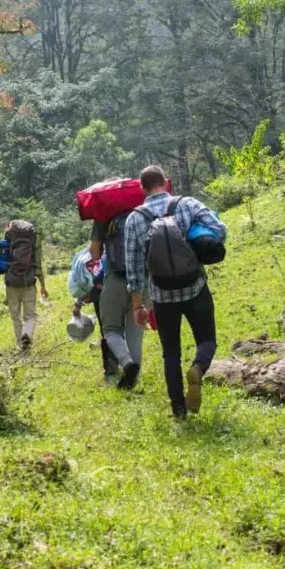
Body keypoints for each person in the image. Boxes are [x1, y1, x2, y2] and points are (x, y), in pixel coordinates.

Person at [125, 165, 227, 418]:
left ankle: (178, 408)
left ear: (142, 189)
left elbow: (134, 268)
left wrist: (138, 306)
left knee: (170, 353)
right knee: (207, 340)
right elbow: (220, 230)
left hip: (161, 296)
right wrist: (195, 236)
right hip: (195, 288)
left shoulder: (134, 219)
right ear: (166, 182)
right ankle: (198, 368)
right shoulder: (187, 204)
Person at [89, 209, 145, 388]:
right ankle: (132, 381)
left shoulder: (103, 216)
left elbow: (95, 253)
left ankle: (127, 363)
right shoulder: (142, 212)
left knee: (111, 330)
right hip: (143, 278)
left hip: (115, 278)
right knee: (135, 333)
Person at [4, 220, 49, 351]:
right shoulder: (34, 238)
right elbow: (38, 266)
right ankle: (26, 335)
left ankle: (20, 345)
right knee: (30, 315)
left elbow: (1, 258)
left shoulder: (9, 236)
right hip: (28, 282)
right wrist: (43, 286)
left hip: (11, 282)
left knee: (15, 316)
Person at [72, 257, 118, 379]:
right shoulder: (121, 244)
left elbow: (84, 280)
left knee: (107, 332)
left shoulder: (91, 254)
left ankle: (111, 370)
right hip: (120, 294)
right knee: (115, 331)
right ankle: (115, 367)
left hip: (101, 297)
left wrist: (78, 304)